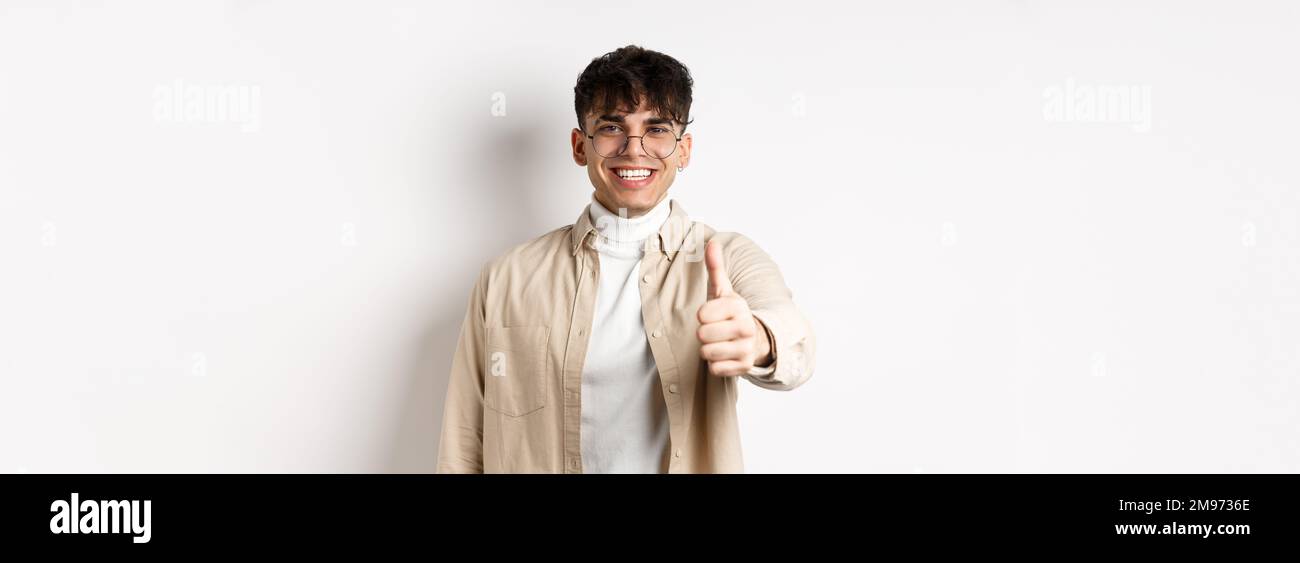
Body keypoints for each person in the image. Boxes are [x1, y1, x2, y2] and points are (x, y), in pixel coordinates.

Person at [436, 45, 816, 473]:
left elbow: (795, 341)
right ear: (581, 146)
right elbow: (465, 439)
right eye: (612, 127)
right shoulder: (506, 277)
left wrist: (760, 340)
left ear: (684, 150)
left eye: (656, 130)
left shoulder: (726, 258)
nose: (634, 150)